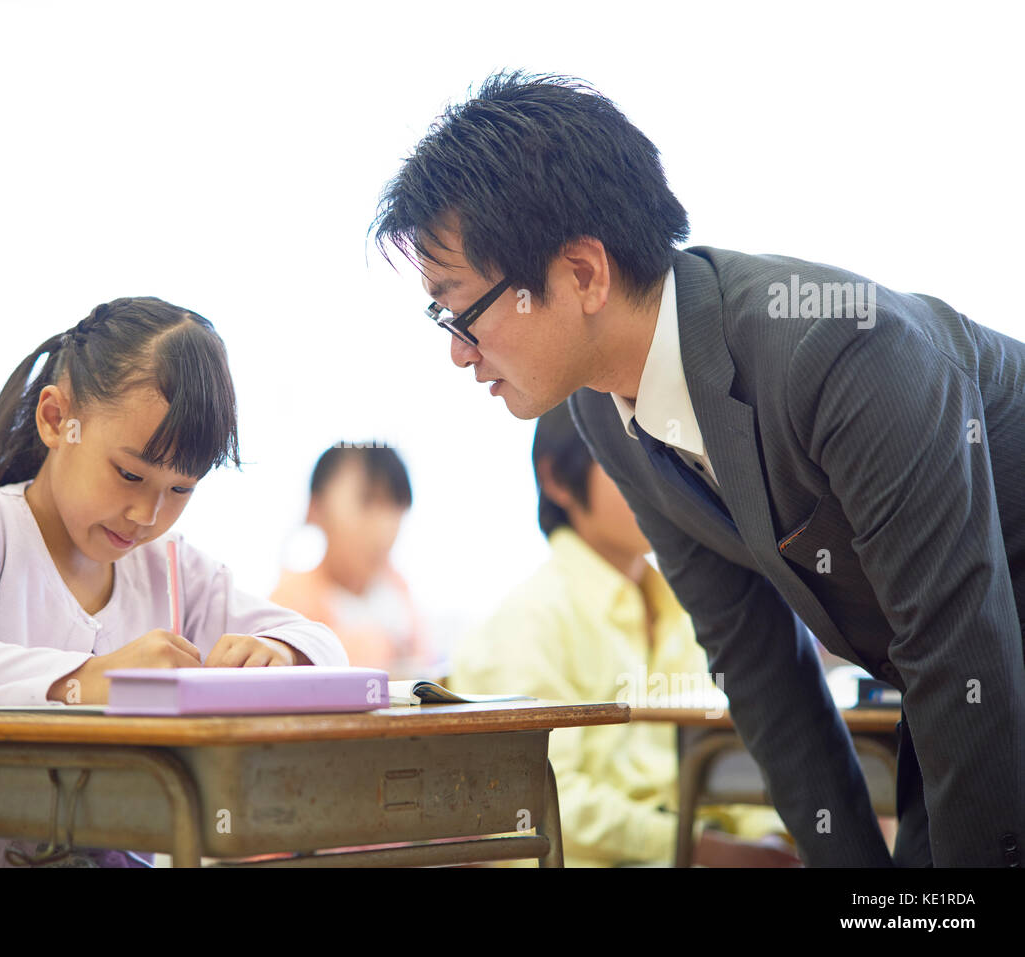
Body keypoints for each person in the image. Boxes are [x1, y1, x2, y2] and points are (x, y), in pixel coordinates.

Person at [372, 73, 1025, 867]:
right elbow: (757, 664)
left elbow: (960, 654)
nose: (456, 349)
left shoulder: (839, 351)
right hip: (966, 691)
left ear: (582, 273)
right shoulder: (602, 412)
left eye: (462, 310)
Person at [0, 296, 348, 867]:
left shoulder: (171, 570)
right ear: (57, 420)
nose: (147, 514)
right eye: (129, 473)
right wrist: (89, 679)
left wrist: (278, 651)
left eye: (181, 489)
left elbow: (326, 646)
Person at [453, 404, 797, 867]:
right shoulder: (527, 622)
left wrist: (772, 838)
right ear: (556, 478)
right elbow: (538, 803)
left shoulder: (682, 606)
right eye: (622, 459)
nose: (656, 479)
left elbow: (728, 760)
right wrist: (700, 848)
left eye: (665, 455)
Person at [271, 445, 428, 677]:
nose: (386, 525)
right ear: (317, 508)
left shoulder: (398, 591)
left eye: (397, 505)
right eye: (368, 501)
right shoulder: (288, 605)